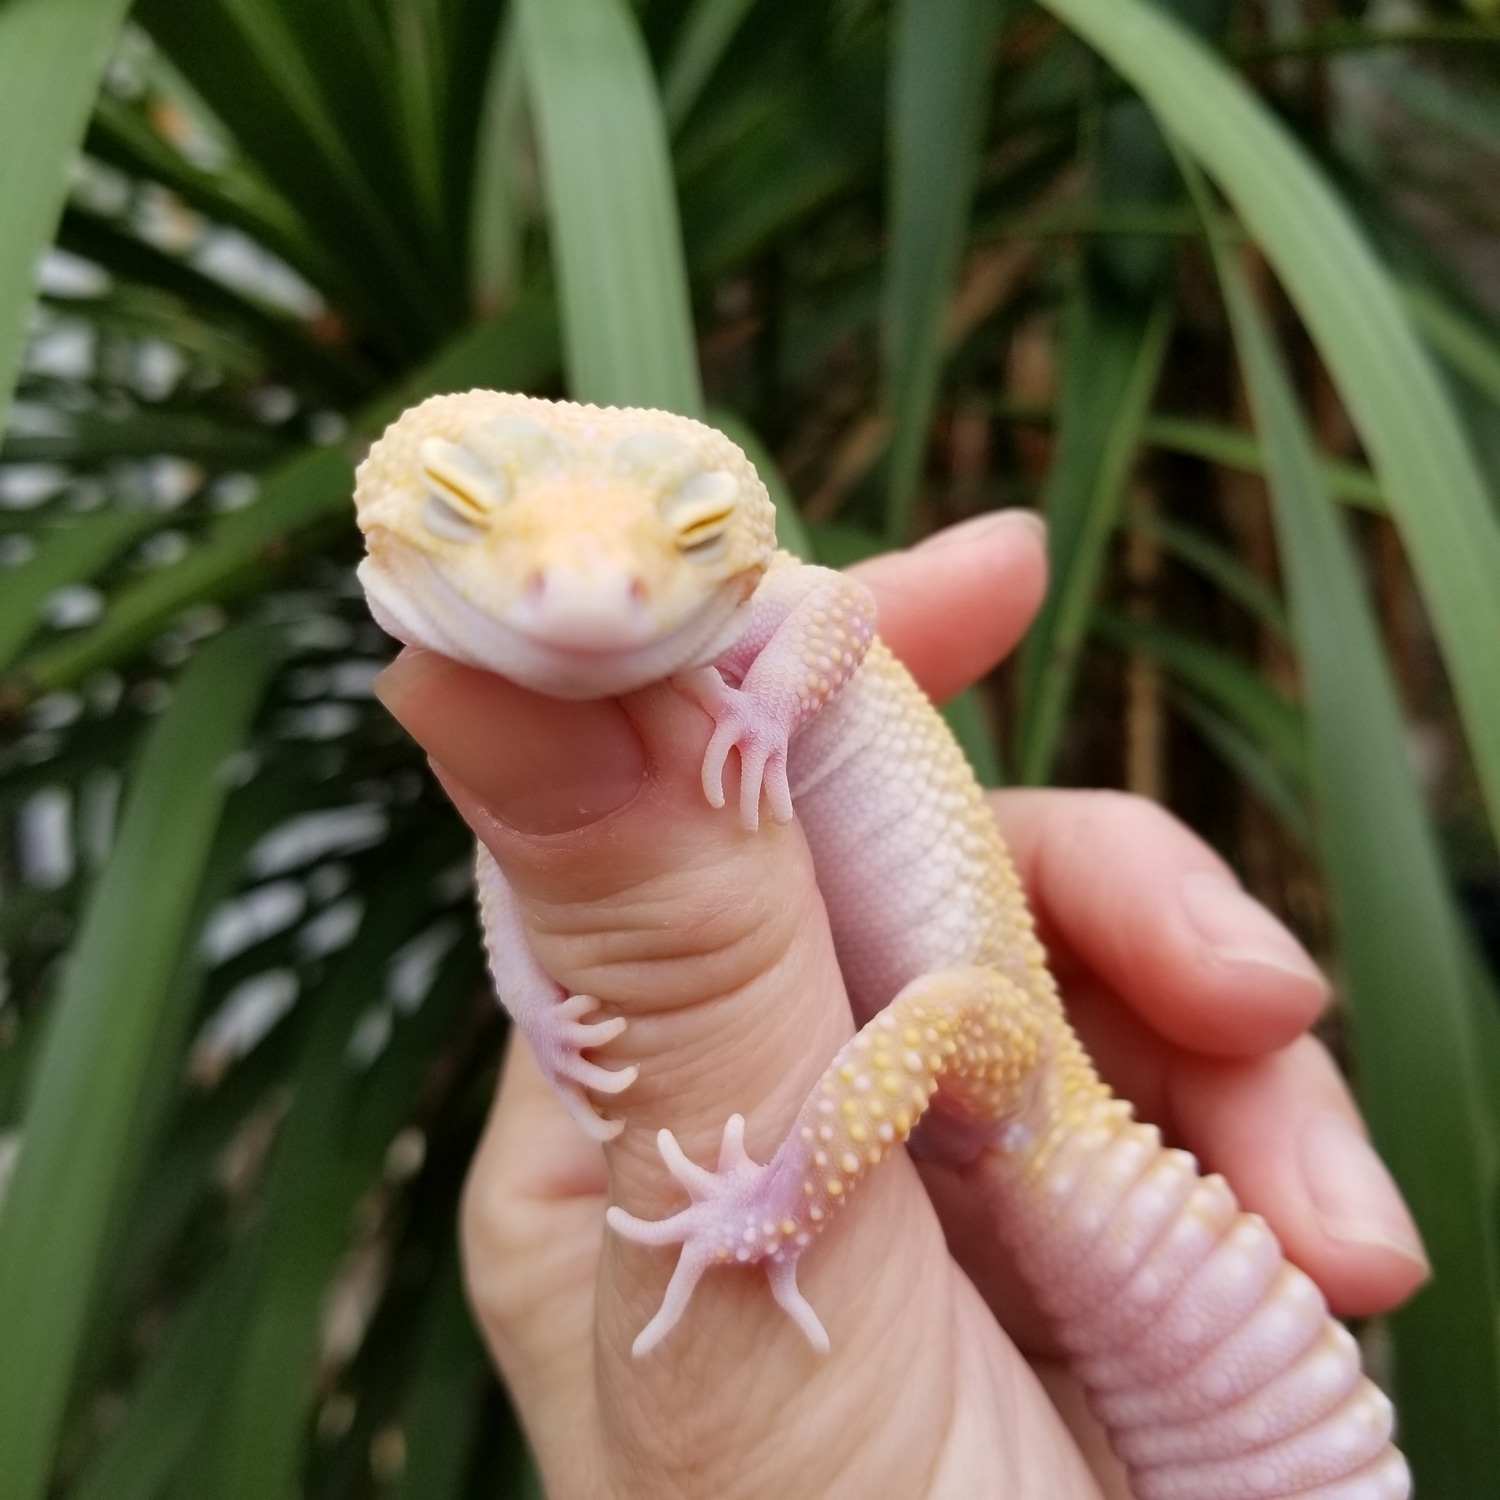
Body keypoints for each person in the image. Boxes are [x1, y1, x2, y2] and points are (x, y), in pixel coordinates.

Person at [374, 511, 1427, 1499]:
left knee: (939, 1015)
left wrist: (767, 710)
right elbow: (504, 892)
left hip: (998, 1042)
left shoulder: (751, 606)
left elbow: (839, 603)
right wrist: (540, 1013)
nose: (580, 589)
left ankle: (778, 1210)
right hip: (972, 1106)